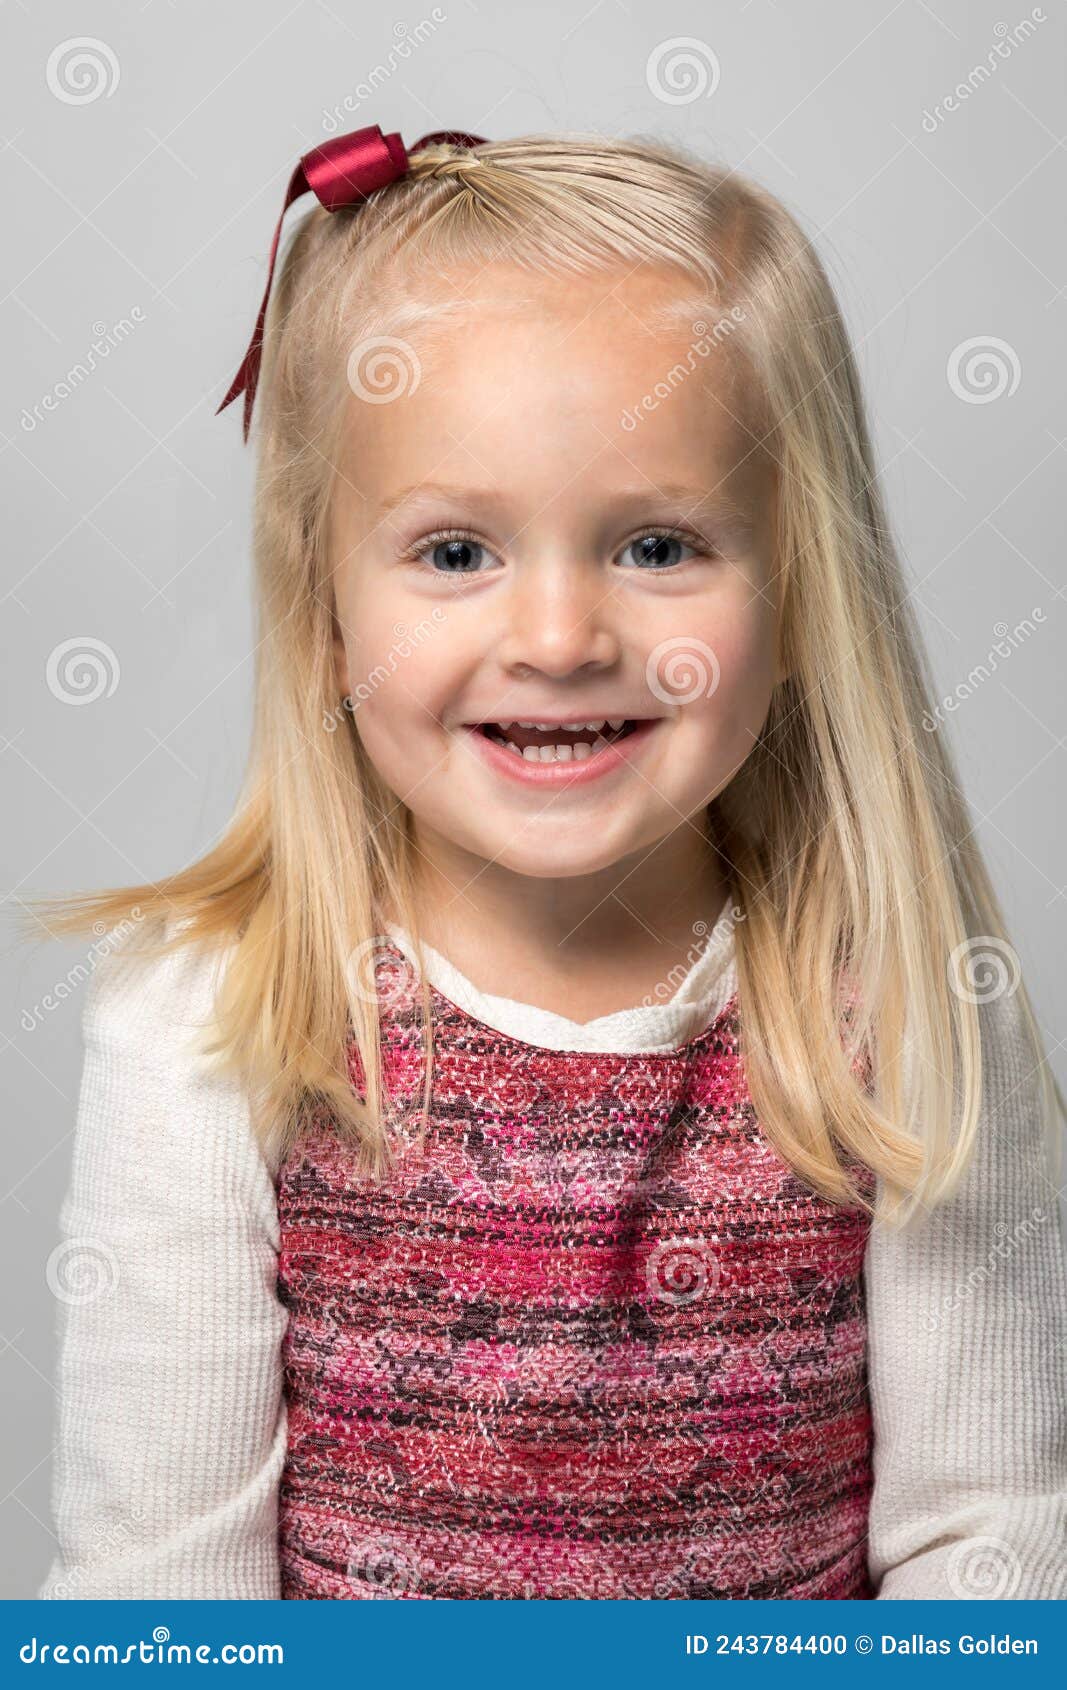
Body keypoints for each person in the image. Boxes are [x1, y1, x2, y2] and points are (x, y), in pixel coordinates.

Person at [29, 126, 1066, 1600]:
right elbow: (160, 1594)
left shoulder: (900, 1012)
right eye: (455, 553)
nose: (565, 637)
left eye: (657, 546)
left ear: (800, 598)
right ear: (323, 607)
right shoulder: (210, 1015)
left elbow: (996, 1542)